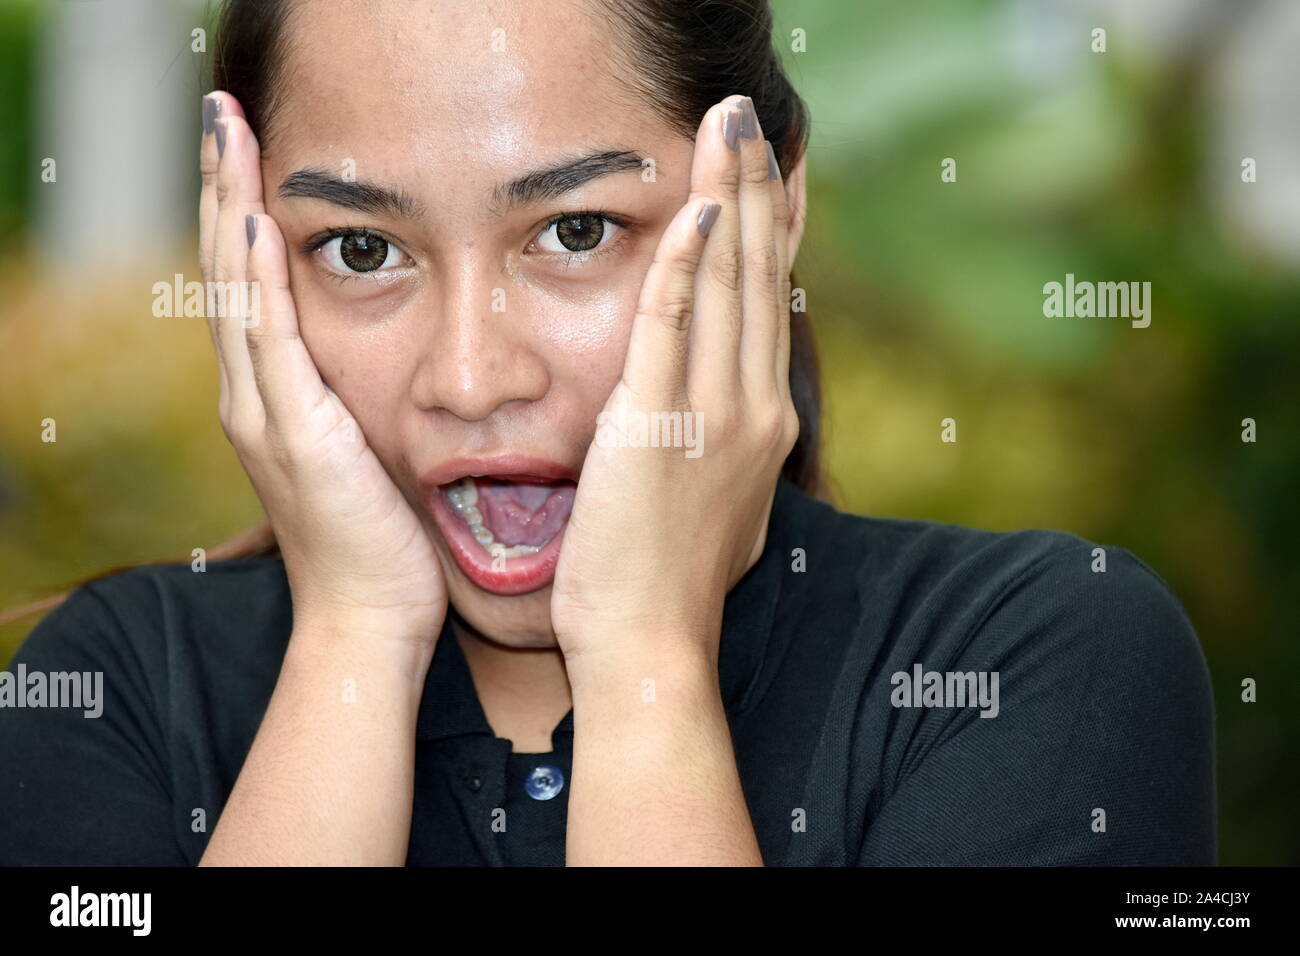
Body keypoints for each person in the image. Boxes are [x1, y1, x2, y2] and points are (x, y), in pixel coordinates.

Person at [0, 0, 1215, 866]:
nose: (470, 376)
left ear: (766, 203)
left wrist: (644, 656)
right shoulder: (116, 695)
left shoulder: (1025, 665)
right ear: (248, 260)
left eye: (575, 231)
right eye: (361, 250)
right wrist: (353, 641)